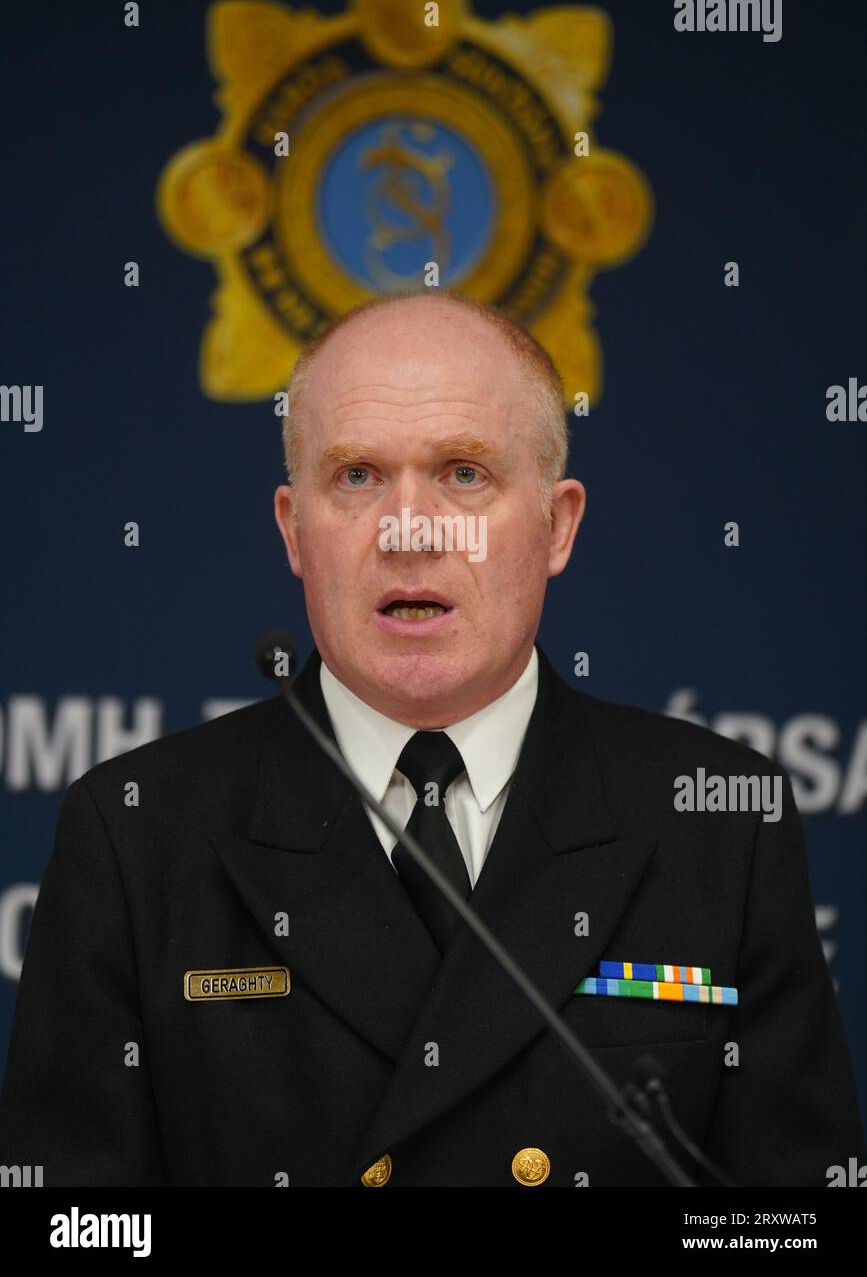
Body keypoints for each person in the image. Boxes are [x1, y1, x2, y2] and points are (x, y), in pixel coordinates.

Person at [0, 290, 862, 1187]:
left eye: (462, 473)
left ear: (557, 524)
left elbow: (787, 1225)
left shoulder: (717, 824)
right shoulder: (136, 832)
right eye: (358, 477)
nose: (408, 532)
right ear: (295, 532)